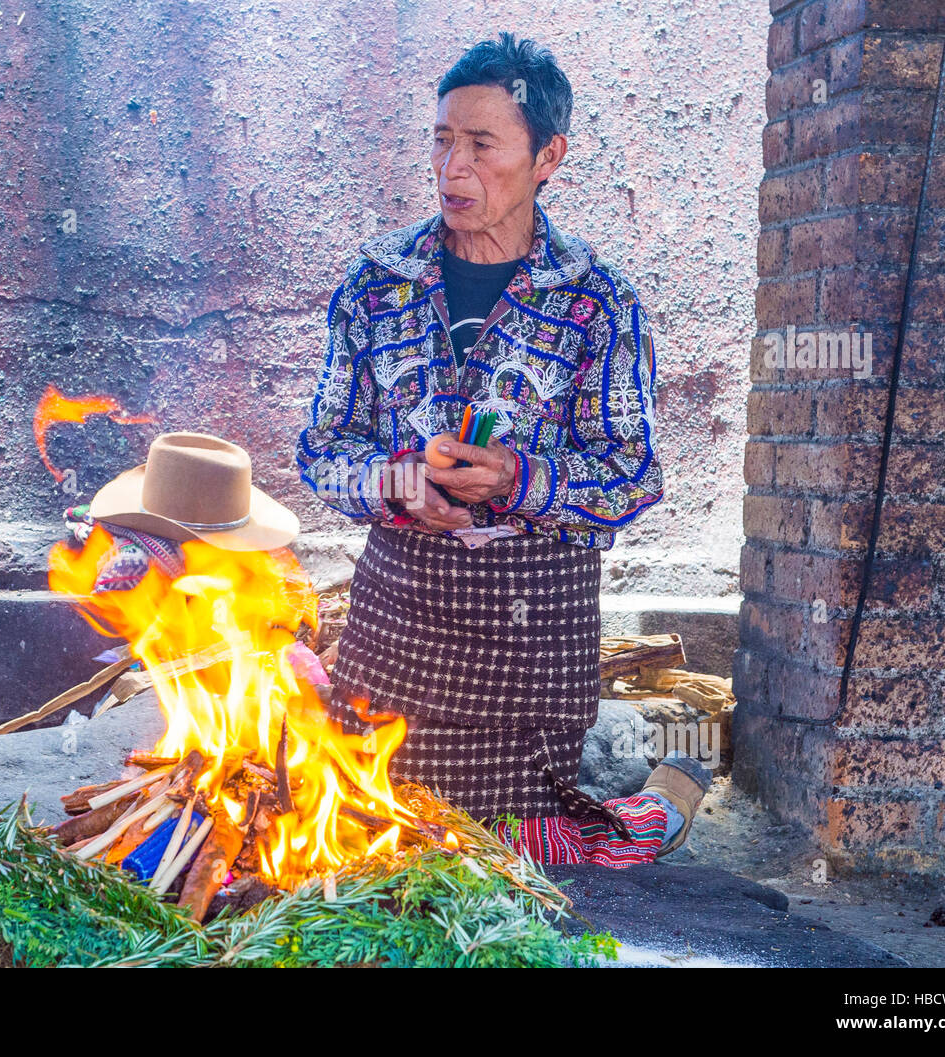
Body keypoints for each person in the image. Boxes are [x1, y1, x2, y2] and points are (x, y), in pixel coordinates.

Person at [296, 33, 709, 866]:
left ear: (546, 156)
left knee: (524, 860)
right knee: (372, 841)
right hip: (398, 636)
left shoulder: (599, 303)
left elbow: (632, 472)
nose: (454, 168)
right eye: (443, 140)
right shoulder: (375, 286)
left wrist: (522, 478)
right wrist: (390, 482)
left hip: (528, 648)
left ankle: (664, 801)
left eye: (482, 146)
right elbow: (320, 448)